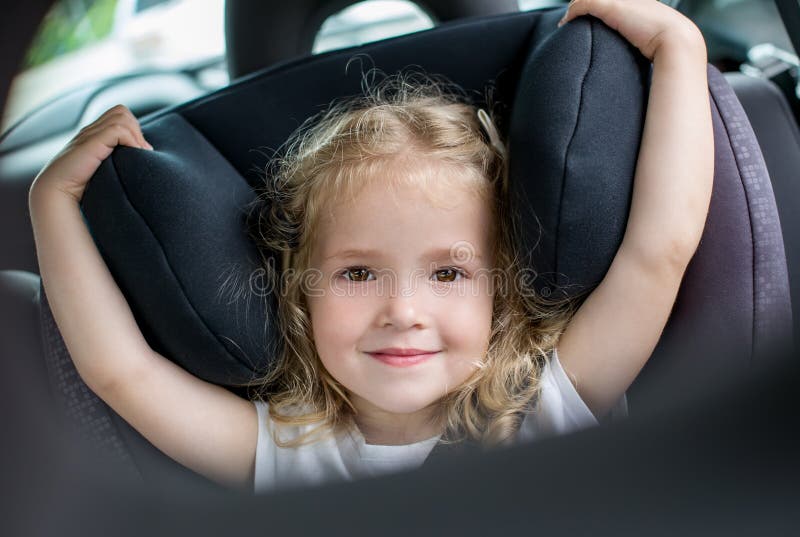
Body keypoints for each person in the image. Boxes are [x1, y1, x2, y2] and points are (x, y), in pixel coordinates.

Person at [28, 0, 713, 494]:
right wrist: (51, 201)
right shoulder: (291, 453)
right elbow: (123, 373)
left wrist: (680, 49)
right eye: (358, 271)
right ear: (301, 289)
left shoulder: (548, 401)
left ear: (501, 285)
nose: (402, 310)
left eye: (447, 271)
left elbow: (661, 249)